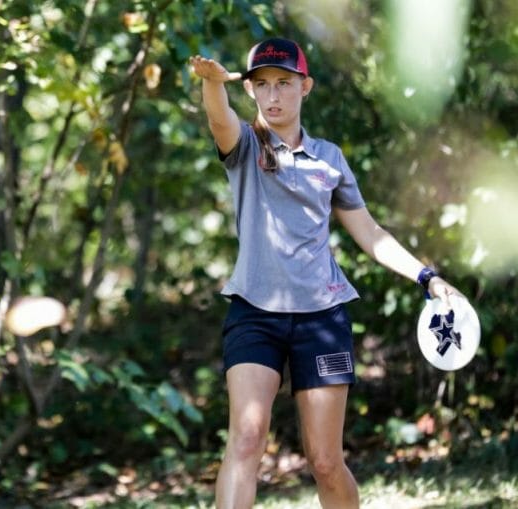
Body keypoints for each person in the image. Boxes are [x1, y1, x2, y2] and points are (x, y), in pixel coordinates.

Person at [189, 37, 462, 509]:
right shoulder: (246, 147)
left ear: (305, 87)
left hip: (322, 317)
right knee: (247, 440)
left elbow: (370, 233)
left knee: (325, 461)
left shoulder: (329, 158)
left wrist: (427, 277)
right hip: (255, 313)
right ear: (251, 91)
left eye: (284, 84)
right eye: (262, 86)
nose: (273, 96)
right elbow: (220, 119)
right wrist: (214, 85)